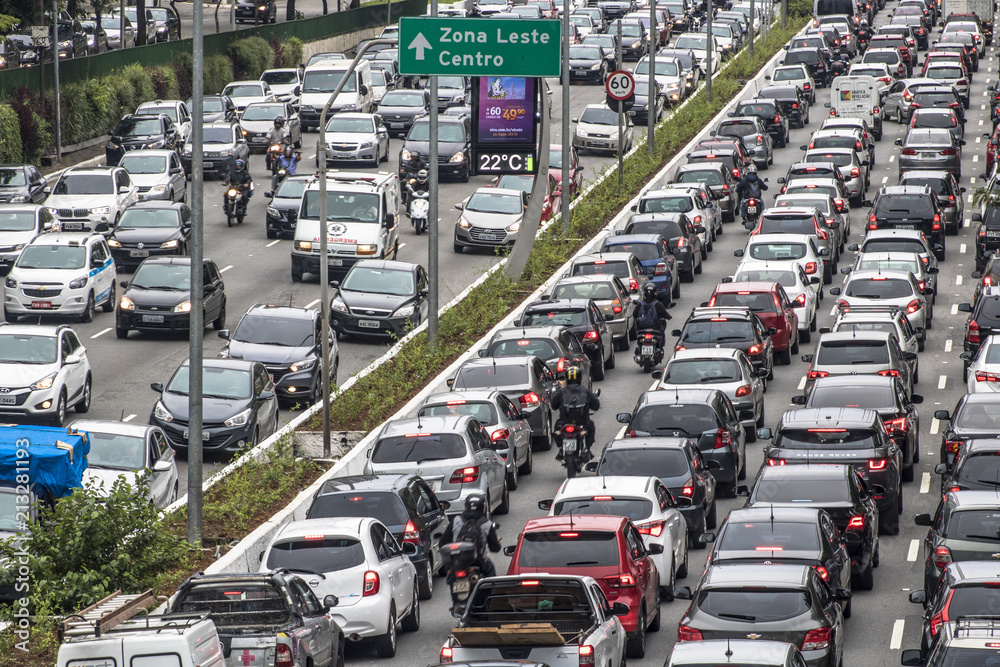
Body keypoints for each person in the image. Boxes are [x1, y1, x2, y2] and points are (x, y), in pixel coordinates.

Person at [439, 494, 502, 578]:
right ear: (483, 508)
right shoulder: (487, 524)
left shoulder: (456, 521)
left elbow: (443, 542)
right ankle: (490, 590)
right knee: (490, 568)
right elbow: (495, 548)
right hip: (479, 562)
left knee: (451, 574)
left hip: (458, 562)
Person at [550, 365, 601, 460]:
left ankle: (561, 449)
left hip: (564, 422)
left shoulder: (562, 392)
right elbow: (596, 406)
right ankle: (586, 449)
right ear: (580, 378)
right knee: (591, 426)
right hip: (583, 423)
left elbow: (553, 405)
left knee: (557, 428)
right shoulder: (586, 392)